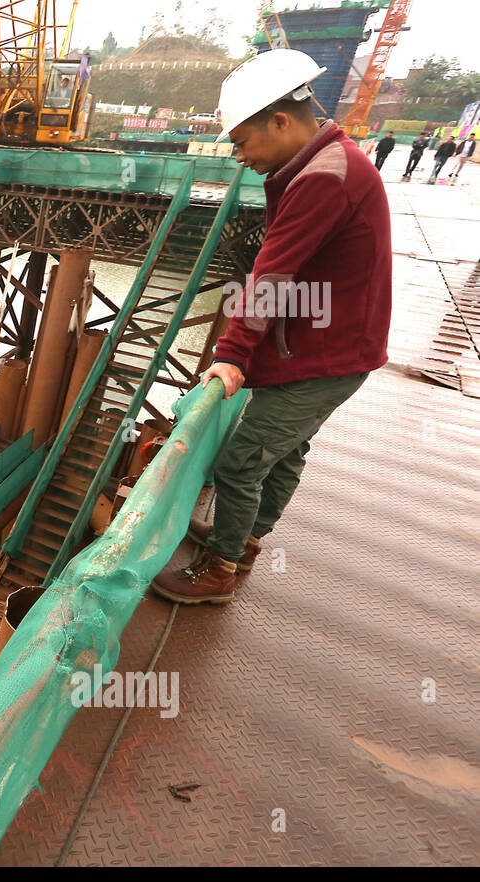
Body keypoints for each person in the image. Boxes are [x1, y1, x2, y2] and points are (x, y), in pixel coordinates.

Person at [152, 48, 391, 605]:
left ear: (280, 121)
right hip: (325, 345)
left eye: (241, 142)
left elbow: (271, 274)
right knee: (284, 452)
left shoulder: (324, 177)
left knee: (240, 462)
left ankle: (219, 571)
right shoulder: (323, 162)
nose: (238, 156)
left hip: (326, 355)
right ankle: (248, 538)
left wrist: (233, 355)